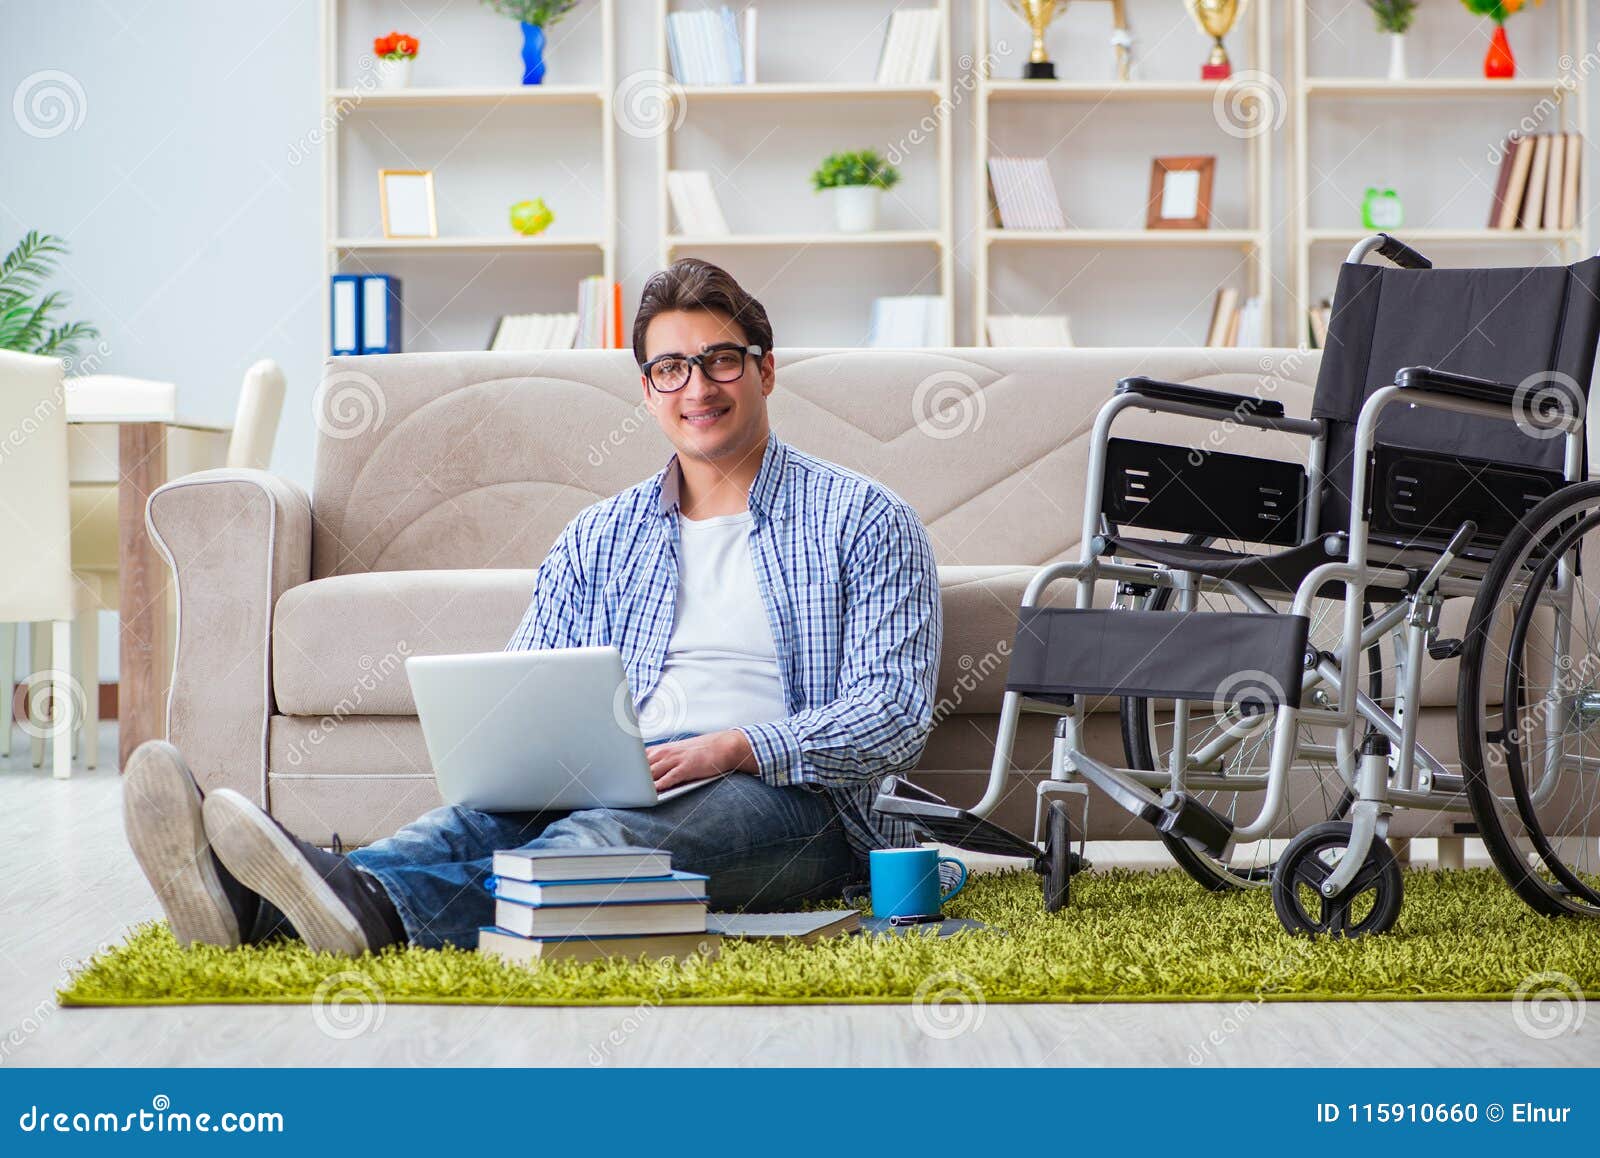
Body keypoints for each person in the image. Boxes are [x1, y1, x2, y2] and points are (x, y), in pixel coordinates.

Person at [121, 257, 943, 955]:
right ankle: (263, 907)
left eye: (722, 360)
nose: (699, 386)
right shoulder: (597, 536)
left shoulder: (865, 519)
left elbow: (894, 713)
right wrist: (535, 753)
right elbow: (525, 689)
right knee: (463, 826)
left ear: (765, 369)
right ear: (648, 392)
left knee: (597, 845)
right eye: (671, 369)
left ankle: (357, 907)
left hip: (800, 807)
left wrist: (731, 747)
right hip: (618, 770)